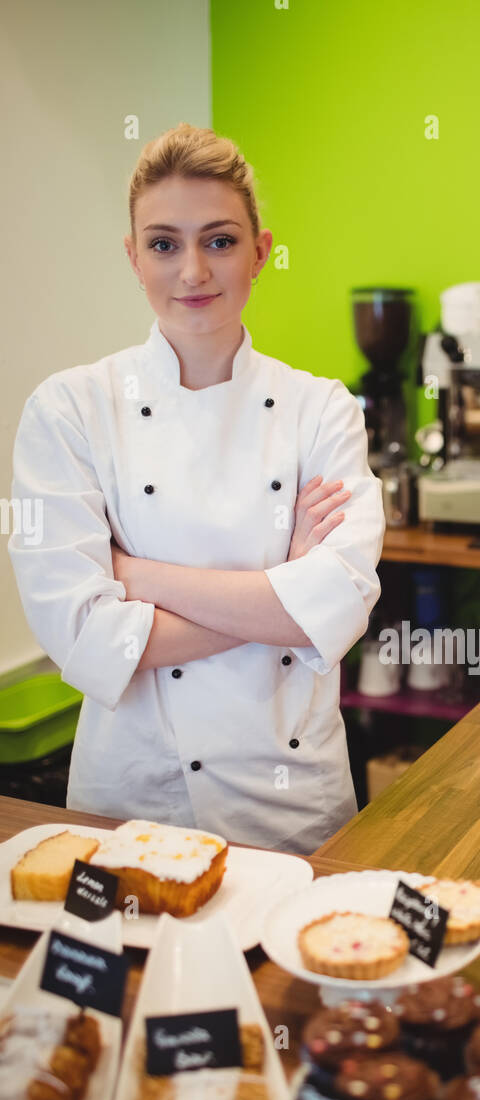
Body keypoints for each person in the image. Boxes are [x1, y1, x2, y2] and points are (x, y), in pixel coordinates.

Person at [9, 123, 385, 855]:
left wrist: (137, 576)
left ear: (261, 252)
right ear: (132, 257)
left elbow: (340, 602)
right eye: (163, 244)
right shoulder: (69, 410)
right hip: (130, 801)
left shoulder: (322, 408)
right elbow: (80, 639)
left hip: (290, 805)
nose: (192, 272)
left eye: (218, 240)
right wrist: (280, 593)